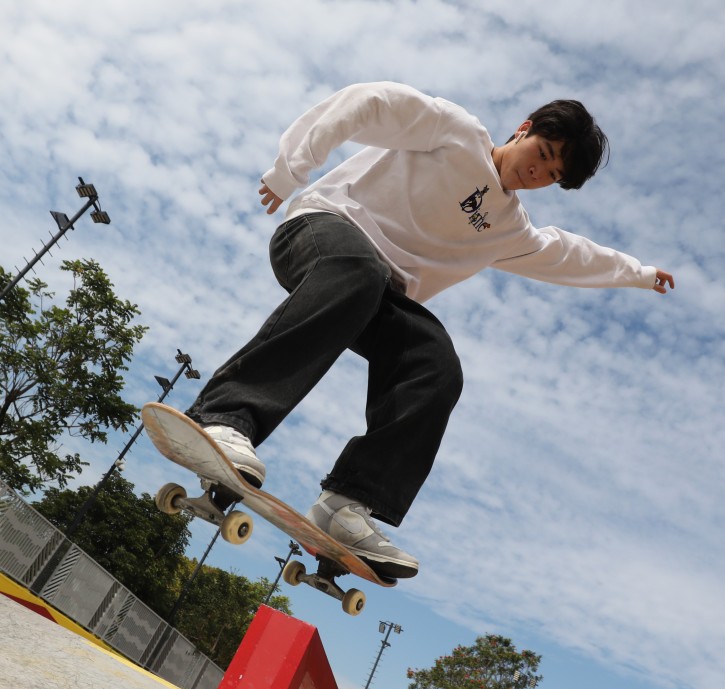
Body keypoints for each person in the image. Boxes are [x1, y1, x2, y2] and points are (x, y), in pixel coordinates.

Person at [187, 81, 674, 580]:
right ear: (523, 129)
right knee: (361, 273)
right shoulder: (455, 132)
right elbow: (367, 103)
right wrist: (292, 165)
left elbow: (568, 255)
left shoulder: (510, 231)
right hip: (321, 233)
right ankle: (225, 416)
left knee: (436, 364)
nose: (535, 172)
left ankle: (347, 504)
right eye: (542, 153)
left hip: (372, 298)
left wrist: (637, 272)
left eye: (551, 174)